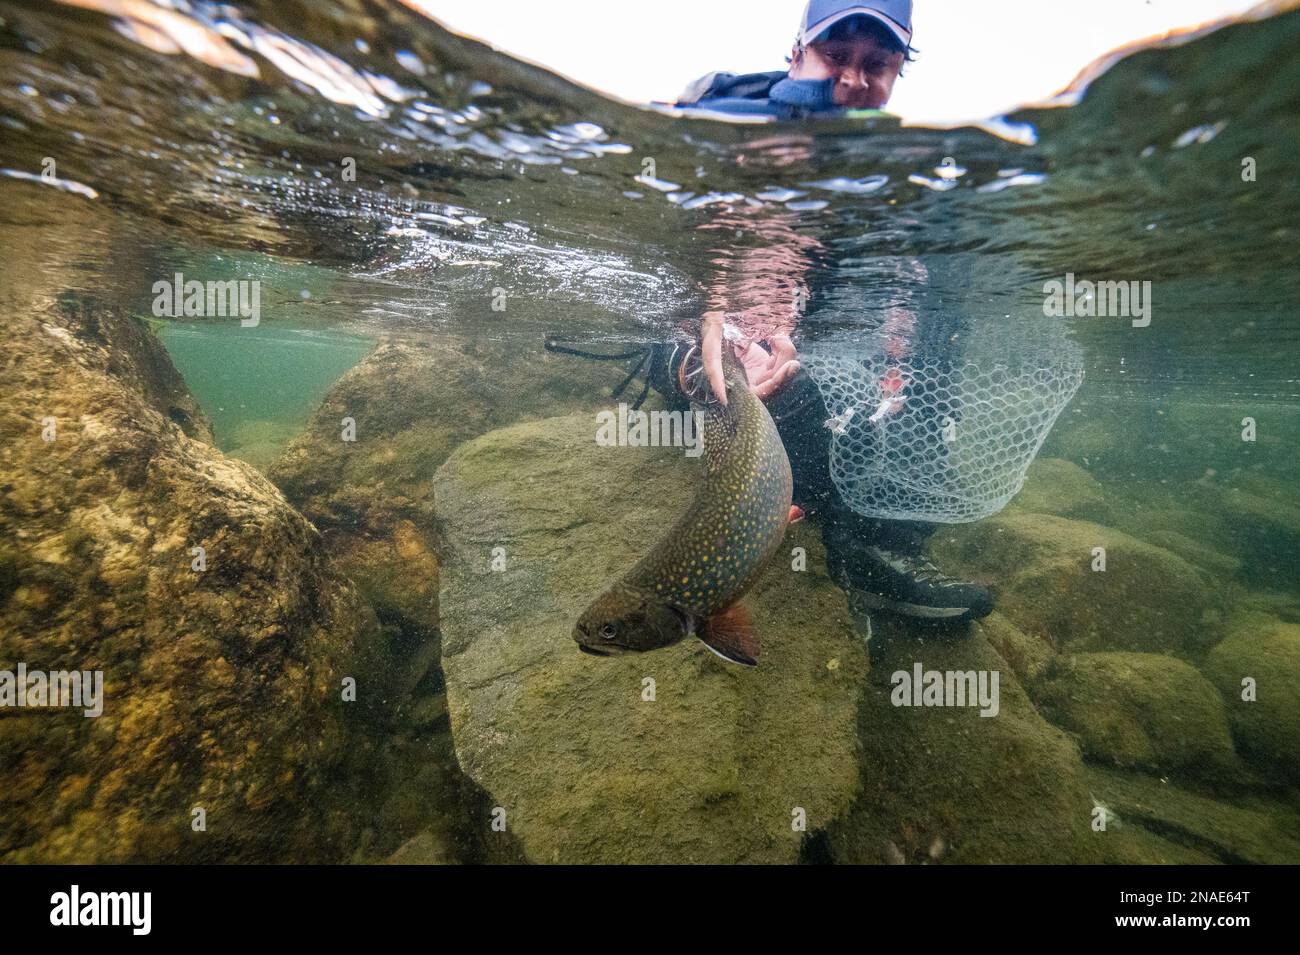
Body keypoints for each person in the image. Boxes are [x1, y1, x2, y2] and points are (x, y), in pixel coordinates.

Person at [663, 0, 994, 623]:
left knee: (905, 370)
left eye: (877, 64)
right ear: (796, 54)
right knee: (722, 376)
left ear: (899, 71)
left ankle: (882, 550)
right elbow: (710, 261)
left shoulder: (903, 182)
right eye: (835, 56)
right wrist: (721, 323)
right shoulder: (736, 129)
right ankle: (853, 549)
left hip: (811, 337)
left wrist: (898, 355)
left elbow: (907, 300)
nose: (851, 80)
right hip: (710, 338)